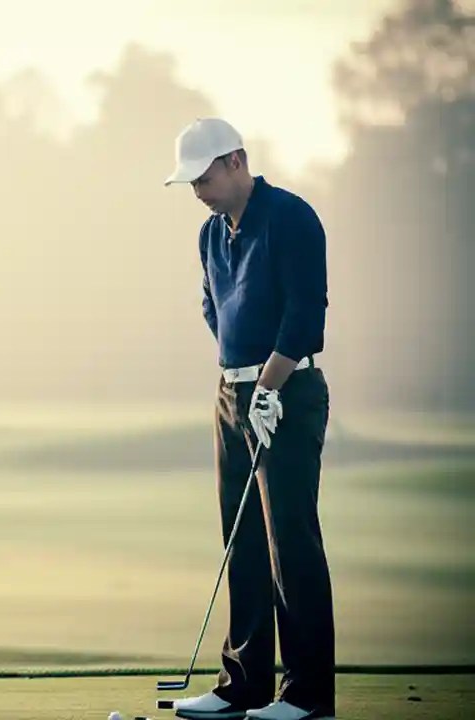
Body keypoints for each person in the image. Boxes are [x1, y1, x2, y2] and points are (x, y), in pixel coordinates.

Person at [162, 118, 335, 720]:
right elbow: (214, 308)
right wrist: (240, 382)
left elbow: (306, 313)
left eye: (204, 177)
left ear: (236, 161)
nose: (197, 190)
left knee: (291, 541)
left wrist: (268, 385)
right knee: (244, 543)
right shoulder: (211, 233)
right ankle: (244, 685)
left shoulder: (291, 217)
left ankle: (309, 694)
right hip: (234, 397)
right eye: (190, 182)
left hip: (289, 391)